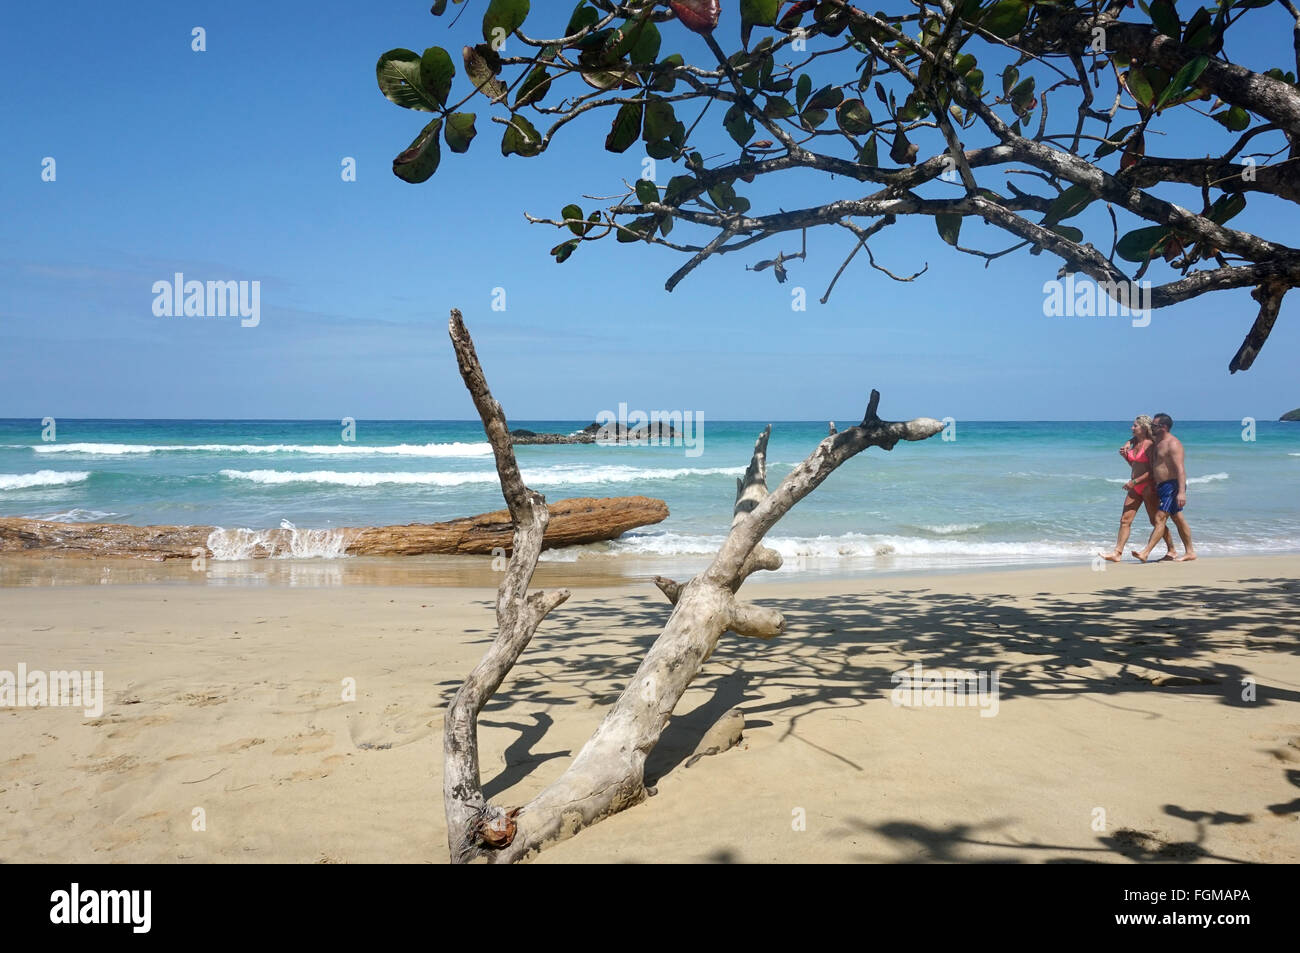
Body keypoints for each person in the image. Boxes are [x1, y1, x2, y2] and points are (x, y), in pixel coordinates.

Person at [1100, 415, 1175, 562]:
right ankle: (1117, 553)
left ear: (1144, 428)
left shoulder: (1150, 445)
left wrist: (1134, 481)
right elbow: (1136, 466)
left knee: (1155, 522)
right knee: (1125, 520)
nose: (1132, 428)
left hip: (1148, 487)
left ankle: (1172, 549)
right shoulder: (1135, 444)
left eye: (1135, 426)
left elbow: (1152, 471)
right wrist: (1126, 456)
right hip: (1135, 487)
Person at [1132, 412, 1197, 562]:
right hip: (1162, 486)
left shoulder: (1173, 444)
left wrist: (1181, 492)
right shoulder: (1157, 440)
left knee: (1159, 518)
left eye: (1154, 425)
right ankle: (1190, 552)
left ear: (1164, 427)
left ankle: (1145, 552)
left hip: (1172, 485)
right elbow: (1139, 439)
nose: (1151, 427)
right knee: (1178, 518)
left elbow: (1180, 469)